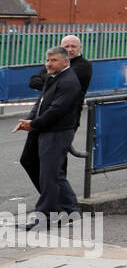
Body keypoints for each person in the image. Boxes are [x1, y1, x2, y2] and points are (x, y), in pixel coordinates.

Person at [12, 47, 82, 228]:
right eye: (48, 60)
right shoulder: (53, 77)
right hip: (44, 129)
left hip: (57, 132)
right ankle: (70, 211)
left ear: (65, 62)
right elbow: (42, 102)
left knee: (50, 174)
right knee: (36, 164)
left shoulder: (68, 82)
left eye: (54, 61)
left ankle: (46, 216)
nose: (49, 64)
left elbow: (57, 110)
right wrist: (28, 120)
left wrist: (34, 124)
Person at [21, 35, 93, 195]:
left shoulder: (83, 66)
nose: (70, 49)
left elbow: (61, 85)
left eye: (74, 46)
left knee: (55, 167)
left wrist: (50, 81)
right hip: (41, 118)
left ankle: (57, 203)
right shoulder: (56, 63)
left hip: (63, 121)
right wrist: (51, 81)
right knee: (28, 159)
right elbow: (33, 80)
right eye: (66, 46)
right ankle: (52, 198)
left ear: (80, 48)